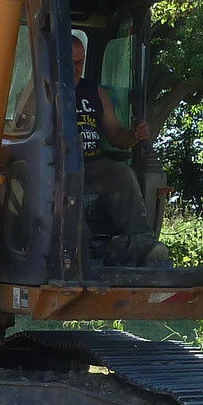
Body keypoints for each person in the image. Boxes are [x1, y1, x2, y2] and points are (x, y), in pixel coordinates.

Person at [72, 32, 171, 268]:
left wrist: (134, 135)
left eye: (80, 62)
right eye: (71, 62)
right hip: (57, 165)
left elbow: (116, 135)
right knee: (65, 186)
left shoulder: (93, 92)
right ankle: (78, 253)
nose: (77, 68)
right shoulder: (41, 89)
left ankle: (143, 244)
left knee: (123, 174)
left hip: (93, 164)